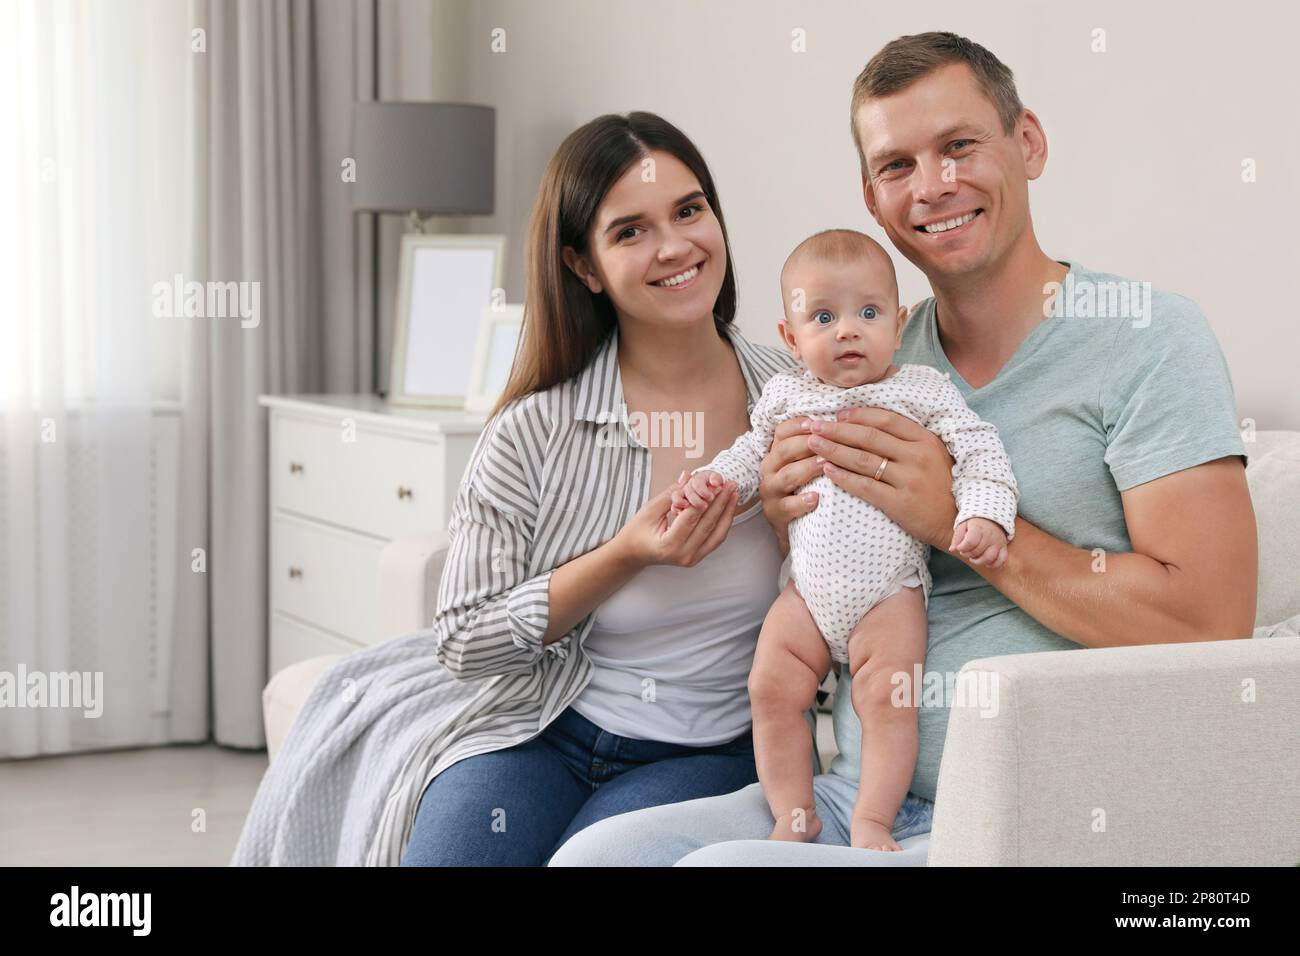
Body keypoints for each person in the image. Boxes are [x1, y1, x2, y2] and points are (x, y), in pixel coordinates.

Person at [548, 30, 1255, 867]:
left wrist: (962, 519)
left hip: (1039, 808)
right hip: (857, 792)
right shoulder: (864, 360)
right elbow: (833, 566)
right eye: (897, 166)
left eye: (959, 146)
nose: (933, 186)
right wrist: (783, 514)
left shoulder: (1150, 339)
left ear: (1026, 143)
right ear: (872, 198)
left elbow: (1209, 624)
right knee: (593, 860)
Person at [400, 110, 818, 866]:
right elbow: (462, 637)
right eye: (630, 231)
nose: (675, 246)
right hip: (541, 731)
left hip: (706, 751)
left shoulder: (799, 400)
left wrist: (792, 526)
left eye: (689, 211)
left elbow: (866, 570)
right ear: (585, 266)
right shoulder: (534, 431)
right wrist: (625, 555)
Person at [675, 228, 1017, 851]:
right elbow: (752, 454)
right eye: (823, 317)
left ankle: (873, 820)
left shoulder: (920, 390)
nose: (847, 331)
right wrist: (712, 480)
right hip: (805, 592)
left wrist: (984, 513)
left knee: (888, 699)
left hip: (889, 595)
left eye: (868, 313)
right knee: (770, 688)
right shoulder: (786, 396)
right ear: (790, 337)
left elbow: (977, 447)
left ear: (899, 320)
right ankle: (794, 812)